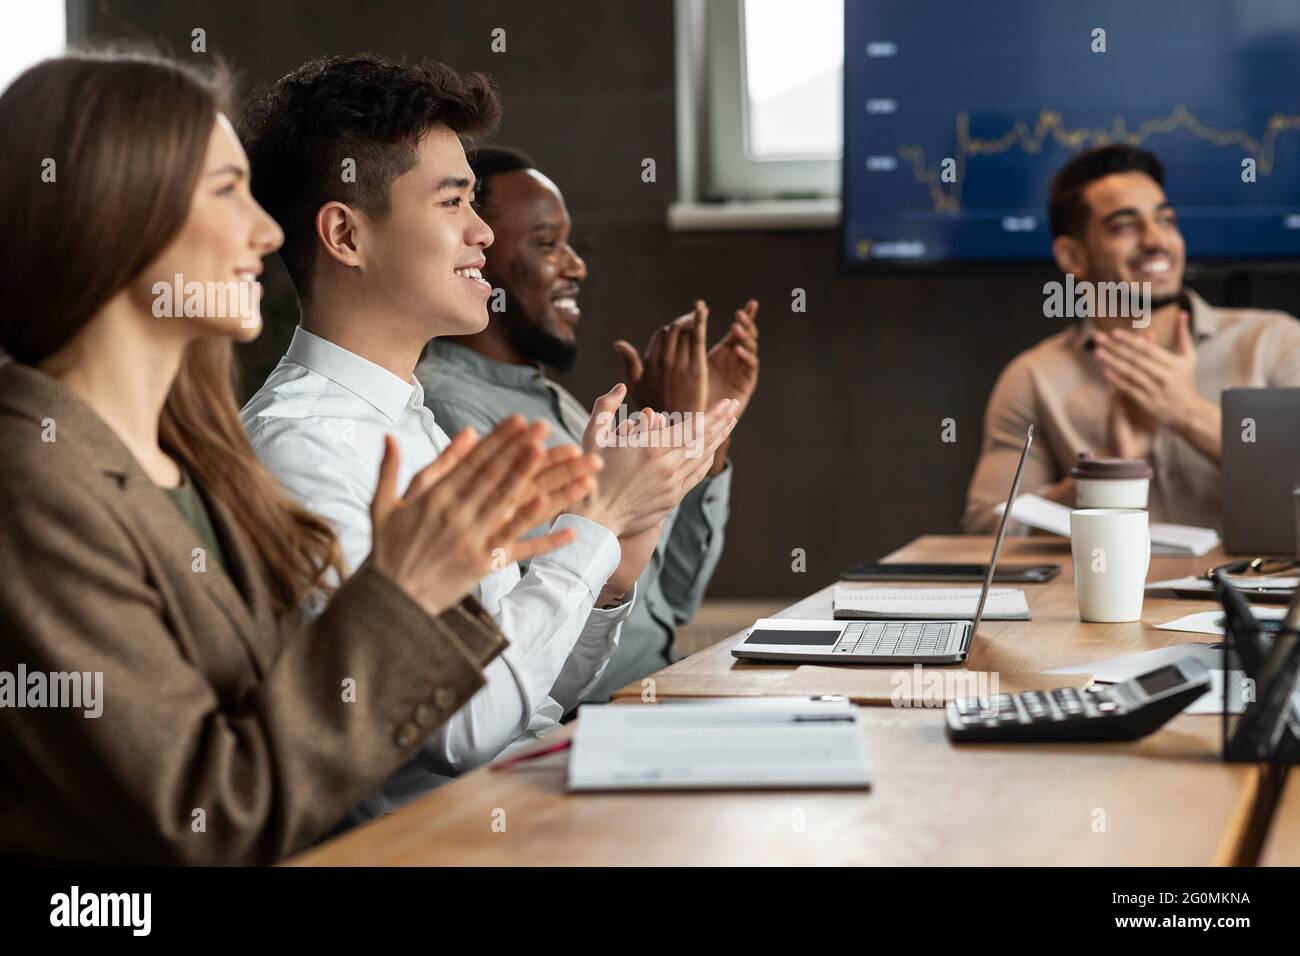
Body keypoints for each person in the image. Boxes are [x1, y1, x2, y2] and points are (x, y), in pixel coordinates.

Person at [0, 51, 585, 865]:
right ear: (113, 216)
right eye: (223, 192)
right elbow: (208, 814)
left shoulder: (189, 449)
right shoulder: (36, 481)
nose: (268, 232)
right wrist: (405, 592)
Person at [238, 54, 738, 812]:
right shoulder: (301, 450)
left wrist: (613, 571)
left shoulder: (411, 421)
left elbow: (523, 700)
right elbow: (464, 728)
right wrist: (594, 520)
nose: (481, 234)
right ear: (345, 235)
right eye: (453, 204)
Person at [416, 146, 760, 700]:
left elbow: (668, 603)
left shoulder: (557, 402)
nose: (576, 265)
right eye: (548, 243)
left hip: (660, 692)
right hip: (589, 719)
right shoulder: (451, 410)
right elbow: (540, 636)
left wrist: (698, 438)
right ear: (478, 251)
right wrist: (667, 429)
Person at [963, 144, 1300, 533]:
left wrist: (1188, 412)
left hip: (1252, 592)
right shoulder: (1033, 377)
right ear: (1072, 256)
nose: (1157, 241)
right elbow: (985, 530)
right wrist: (1105, 470)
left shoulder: (1275, 342)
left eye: (1166, 220)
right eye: (1125, 225)